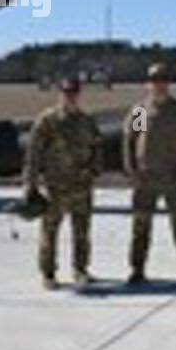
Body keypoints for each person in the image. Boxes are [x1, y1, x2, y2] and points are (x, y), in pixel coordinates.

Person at [123, 63, 176, 284]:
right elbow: (130, 141)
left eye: (163, 80)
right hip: (146, 178)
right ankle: (137, 269)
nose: (159, 84)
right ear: (148, 83)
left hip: (175, 178)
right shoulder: (140, 111)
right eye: (155, 80)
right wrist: (132, 171)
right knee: (140, 227)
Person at [24, 76, 101, 289]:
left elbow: (97, 148)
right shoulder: (47, 120)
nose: (70, 96)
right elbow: (33, 153)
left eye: (74, 92)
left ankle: (80, 270)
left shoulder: (87, 121)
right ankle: (48, 273)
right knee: (49, 232)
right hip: (55, 187)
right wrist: (30, 184)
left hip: (81, 187)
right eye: (66, 92)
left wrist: (94, 172)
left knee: (82, 233)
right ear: (60, 94)